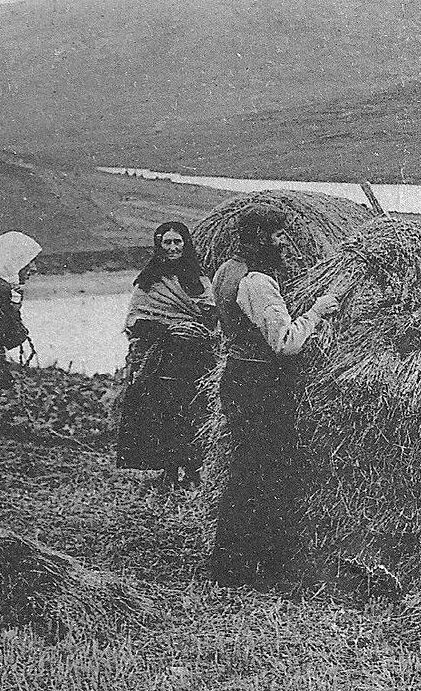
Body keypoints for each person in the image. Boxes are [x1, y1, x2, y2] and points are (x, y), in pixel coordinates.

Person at [210, 204, 339, 587]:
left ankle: (233, 563)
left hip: (239, 376)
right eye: (278, 234)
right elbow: (285, 342)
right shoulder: (257, 281)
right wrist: (317, 312)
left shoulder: (227, 270)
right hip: (262, 384)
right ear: (260, 237)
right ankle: (257, 567)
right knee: (267, 473)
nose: (284, 242)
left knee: (248, 470)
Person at [114, 222, 217, 488]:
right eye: (167, 243)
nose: (173, 248)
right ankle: (169, 471)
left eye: (177, 242)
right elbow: (135, 319)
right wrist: (171, 328)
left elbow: (212, 314)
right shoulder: (150, 280)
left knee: (194, 412)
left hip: (196, 357)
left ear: (186, 244)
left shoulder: (199, 278)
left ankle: (193, 472)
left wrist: (199, 326)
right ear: (159, 246)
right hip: (164, 358)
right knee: (166, 414)